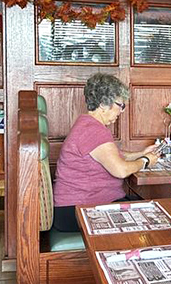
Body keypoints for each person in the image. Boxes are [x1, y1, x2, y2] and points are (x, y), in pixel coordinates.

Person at [53, 73, 159, 232]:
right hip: (78, 210)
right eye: (120, 105)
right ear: (103, 103)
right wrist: (145, 160)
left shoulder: (86, 124)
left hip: (76, 207)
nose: (121, 111)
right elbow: (121, 170)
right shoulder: (93, 130)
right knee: (154, 218)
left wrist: (141, 153)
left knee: (148, 208)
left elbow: (112, 155)